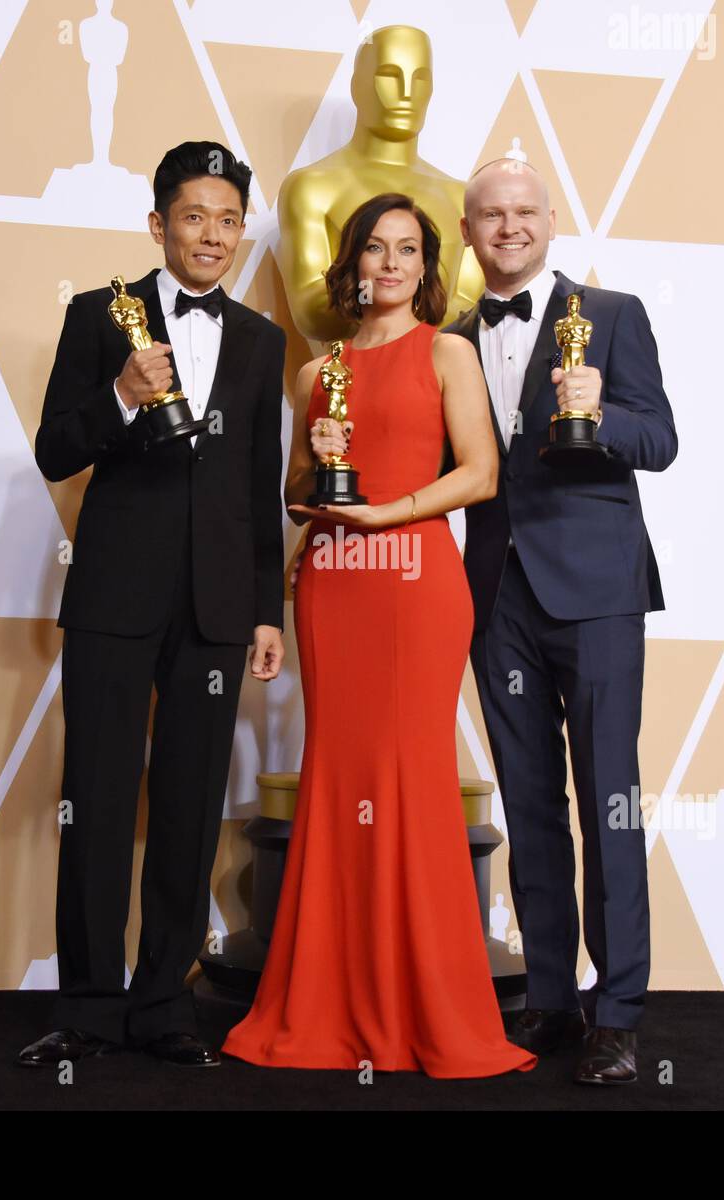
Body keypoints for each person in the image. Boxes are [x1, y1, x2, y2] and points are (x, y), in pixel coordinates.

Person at [221, 192, 536, 1078]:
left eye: (406, 250)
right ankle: (329, 998)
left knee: (411, 779)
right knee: (340, 778)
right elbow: (293, 494)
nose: (390, 264)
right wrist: (321, 465)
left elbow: (480, 474)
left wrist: (390, 512)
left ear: (426, 268)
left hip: (416, 588)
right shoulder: (313, 375)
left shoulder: (448, 353)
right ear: (351, 262)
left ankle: (423, 1004)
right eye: (375, 249)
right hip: (333, 592)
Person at [18, 141, 287, 1069]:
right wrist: (123, 401)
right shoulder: (100, 317)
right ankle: (88, 1007)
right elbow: (56, 449)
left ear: (240, 230)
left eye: (225, 219)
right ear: (158, 223)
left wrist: (266, 612)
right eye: (191, 217)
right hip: (113, 597)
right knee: (92, 799)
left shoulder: (260, 338)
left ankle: (165, 1002)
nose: (209, 235)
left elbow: (257, 487)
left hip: (216, 609)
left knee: (189, 803)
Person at [446, 158, 677, 1084]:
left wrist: (604, 415)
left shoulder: (611, 314)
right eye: (490, 215)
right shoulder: (453, 339)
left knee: (609, 799)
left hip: (597, 596)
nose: (509, 227)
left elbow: (660, 439)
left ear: (552, 219)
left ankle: (617, 1014)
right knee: (530, 803)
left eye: (524, 212)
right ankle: (549, 999)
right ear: (467, 231)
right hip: (496, 597)